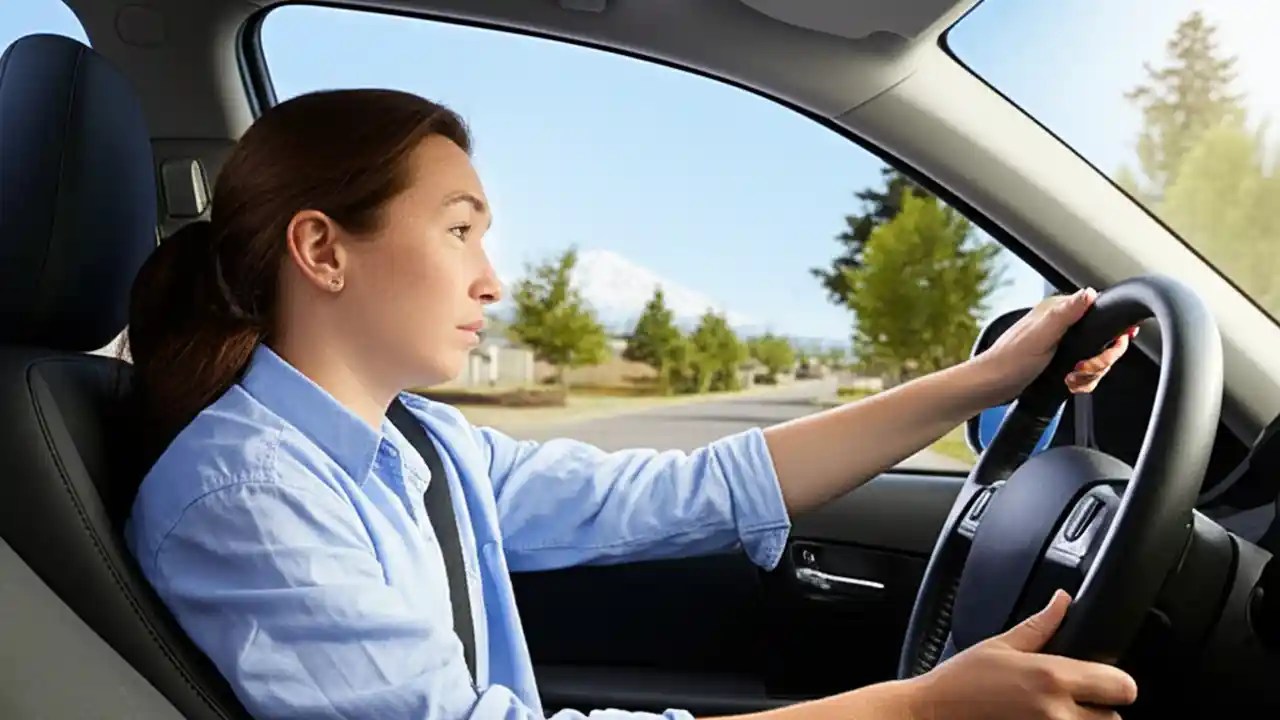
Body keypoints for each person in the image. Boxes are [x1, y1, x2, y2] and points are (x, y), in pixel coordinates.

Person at [123, 88, 1139, 720]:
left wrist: (990, 377)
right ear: (320, 250)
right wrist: (912, 714)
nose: (493, 280)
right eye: (459, 231)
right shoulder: (245, 500)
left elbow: (694, 489)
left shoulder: (418, 442)